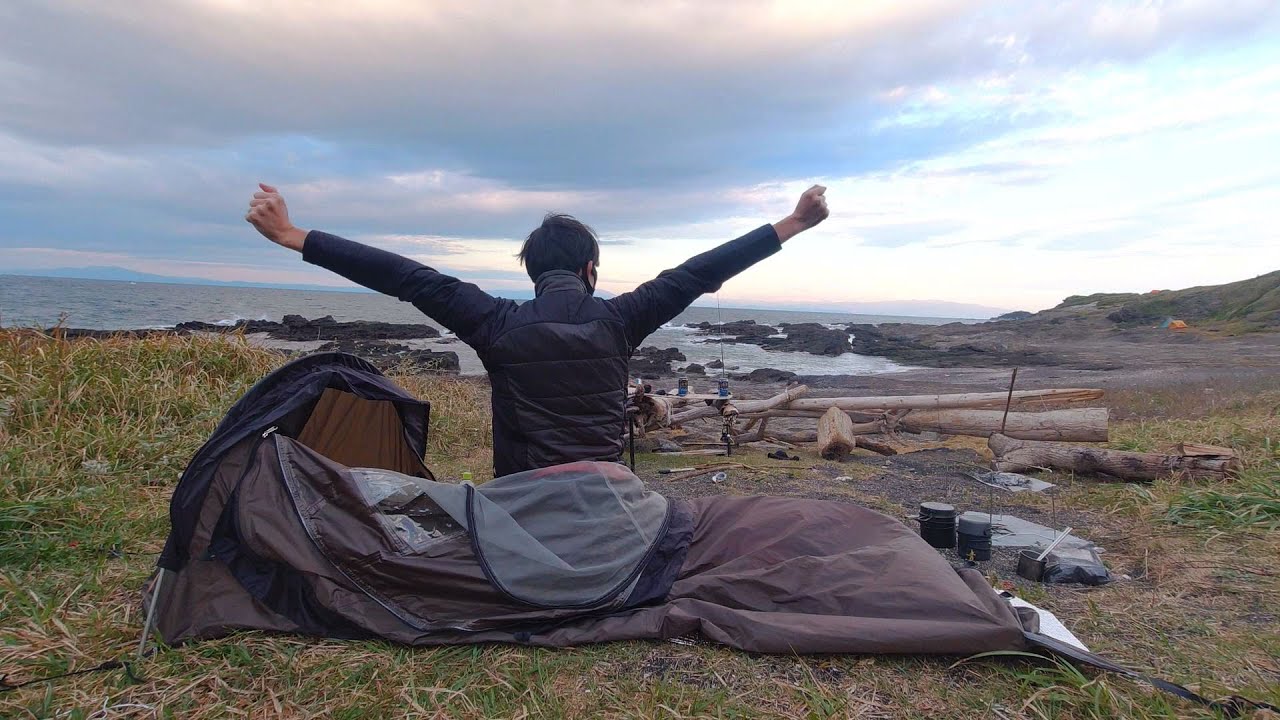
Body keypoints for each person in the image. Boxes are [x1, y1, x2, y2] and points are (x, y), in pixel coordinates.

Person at [246, 183, 829, 477]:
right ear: (590, 271)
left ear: (531, 274)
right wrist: (794, 222)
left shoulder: (496, 323)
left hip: (519, 513)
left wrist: (296, 237)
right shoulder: (621, 319)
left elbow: (408, 277)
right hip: (611, 509)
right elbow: (698, 272)